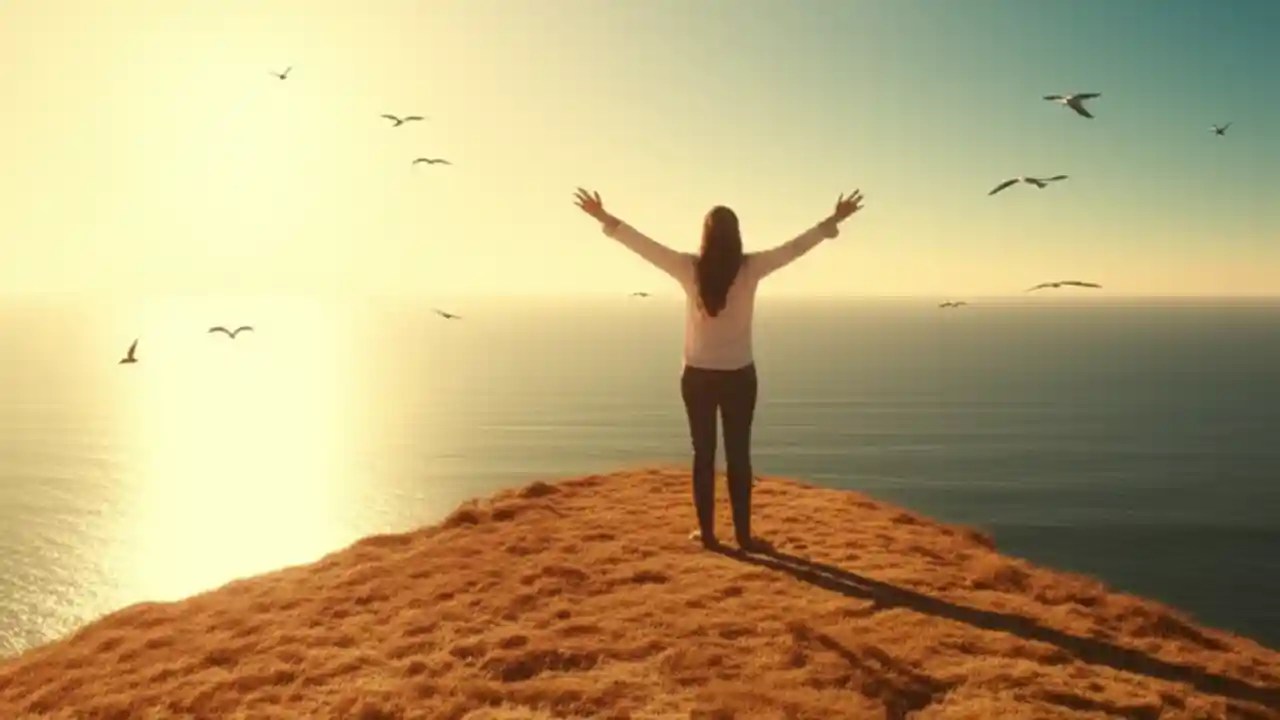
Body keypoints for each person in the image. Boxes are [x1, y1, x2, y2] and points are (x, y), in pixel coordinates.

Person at [572, 187, 866, 550]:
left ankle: (708, 536)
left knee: (703, 456)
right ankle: (743, 537)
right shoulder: (751, 268)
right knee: (739, 456)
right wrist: (834, 220)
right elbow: (794, 248)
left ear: (706, 236)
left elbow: (644, 246)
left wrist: (603, 217)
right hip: (739, 376)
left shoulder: (689, 269)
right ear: (736, 235)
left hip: (697, 377)